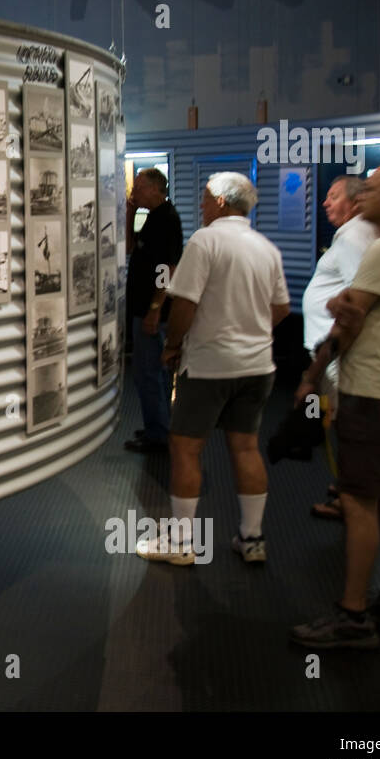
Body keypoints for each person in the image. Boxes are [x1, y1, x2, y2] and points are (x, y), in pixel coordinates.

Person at [290, 164, 380, 649]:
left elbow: (350, 318)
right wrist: (343, 304)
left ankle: (353, 615)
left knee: (357, 499)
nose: (361, 194)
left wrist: (312, 376)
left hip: (371, 391)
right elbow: (355, 305)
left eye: (372, 188)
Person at [137, 172, 289, 566]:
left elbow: (184, 303)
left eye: (205, 199)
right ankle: (252, 538)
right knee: (245, 447)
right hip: (257, 366)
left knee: (186, 449)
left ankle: (183, 543)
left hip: (208, 366)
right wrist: (249, 333)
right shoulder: (265, 247)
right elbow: (281, 308)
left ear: (221, 202)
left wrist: (172, 346)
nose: (201, 206)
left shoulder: (205, 241)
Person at [301, 175, 376, 520]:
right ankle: (345, 485)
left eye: (334, 196)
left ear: (356, 202)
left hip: (337, 354)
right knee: (338, 419)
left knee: (344, 422)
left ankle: (351, 498)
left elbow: (355, 301)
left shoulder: (353, 237)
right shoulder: (353, 234)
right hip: (333, 352)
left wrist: (327, 353)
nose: (325, 202)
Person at [123, 169, 183, 453]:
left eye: (139, 188)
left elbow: (166, 269)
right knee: (154, 373)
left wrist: (155, 310)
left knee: (148, 373)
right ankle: (158, 427)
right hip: (144, 309)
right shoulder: (153, 218)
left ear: (156, 189)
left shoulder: (167, 221)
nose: (134, 192)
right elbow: (131, 246)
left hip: (151, 312)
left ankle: (157, 435)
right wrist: (130, 212)